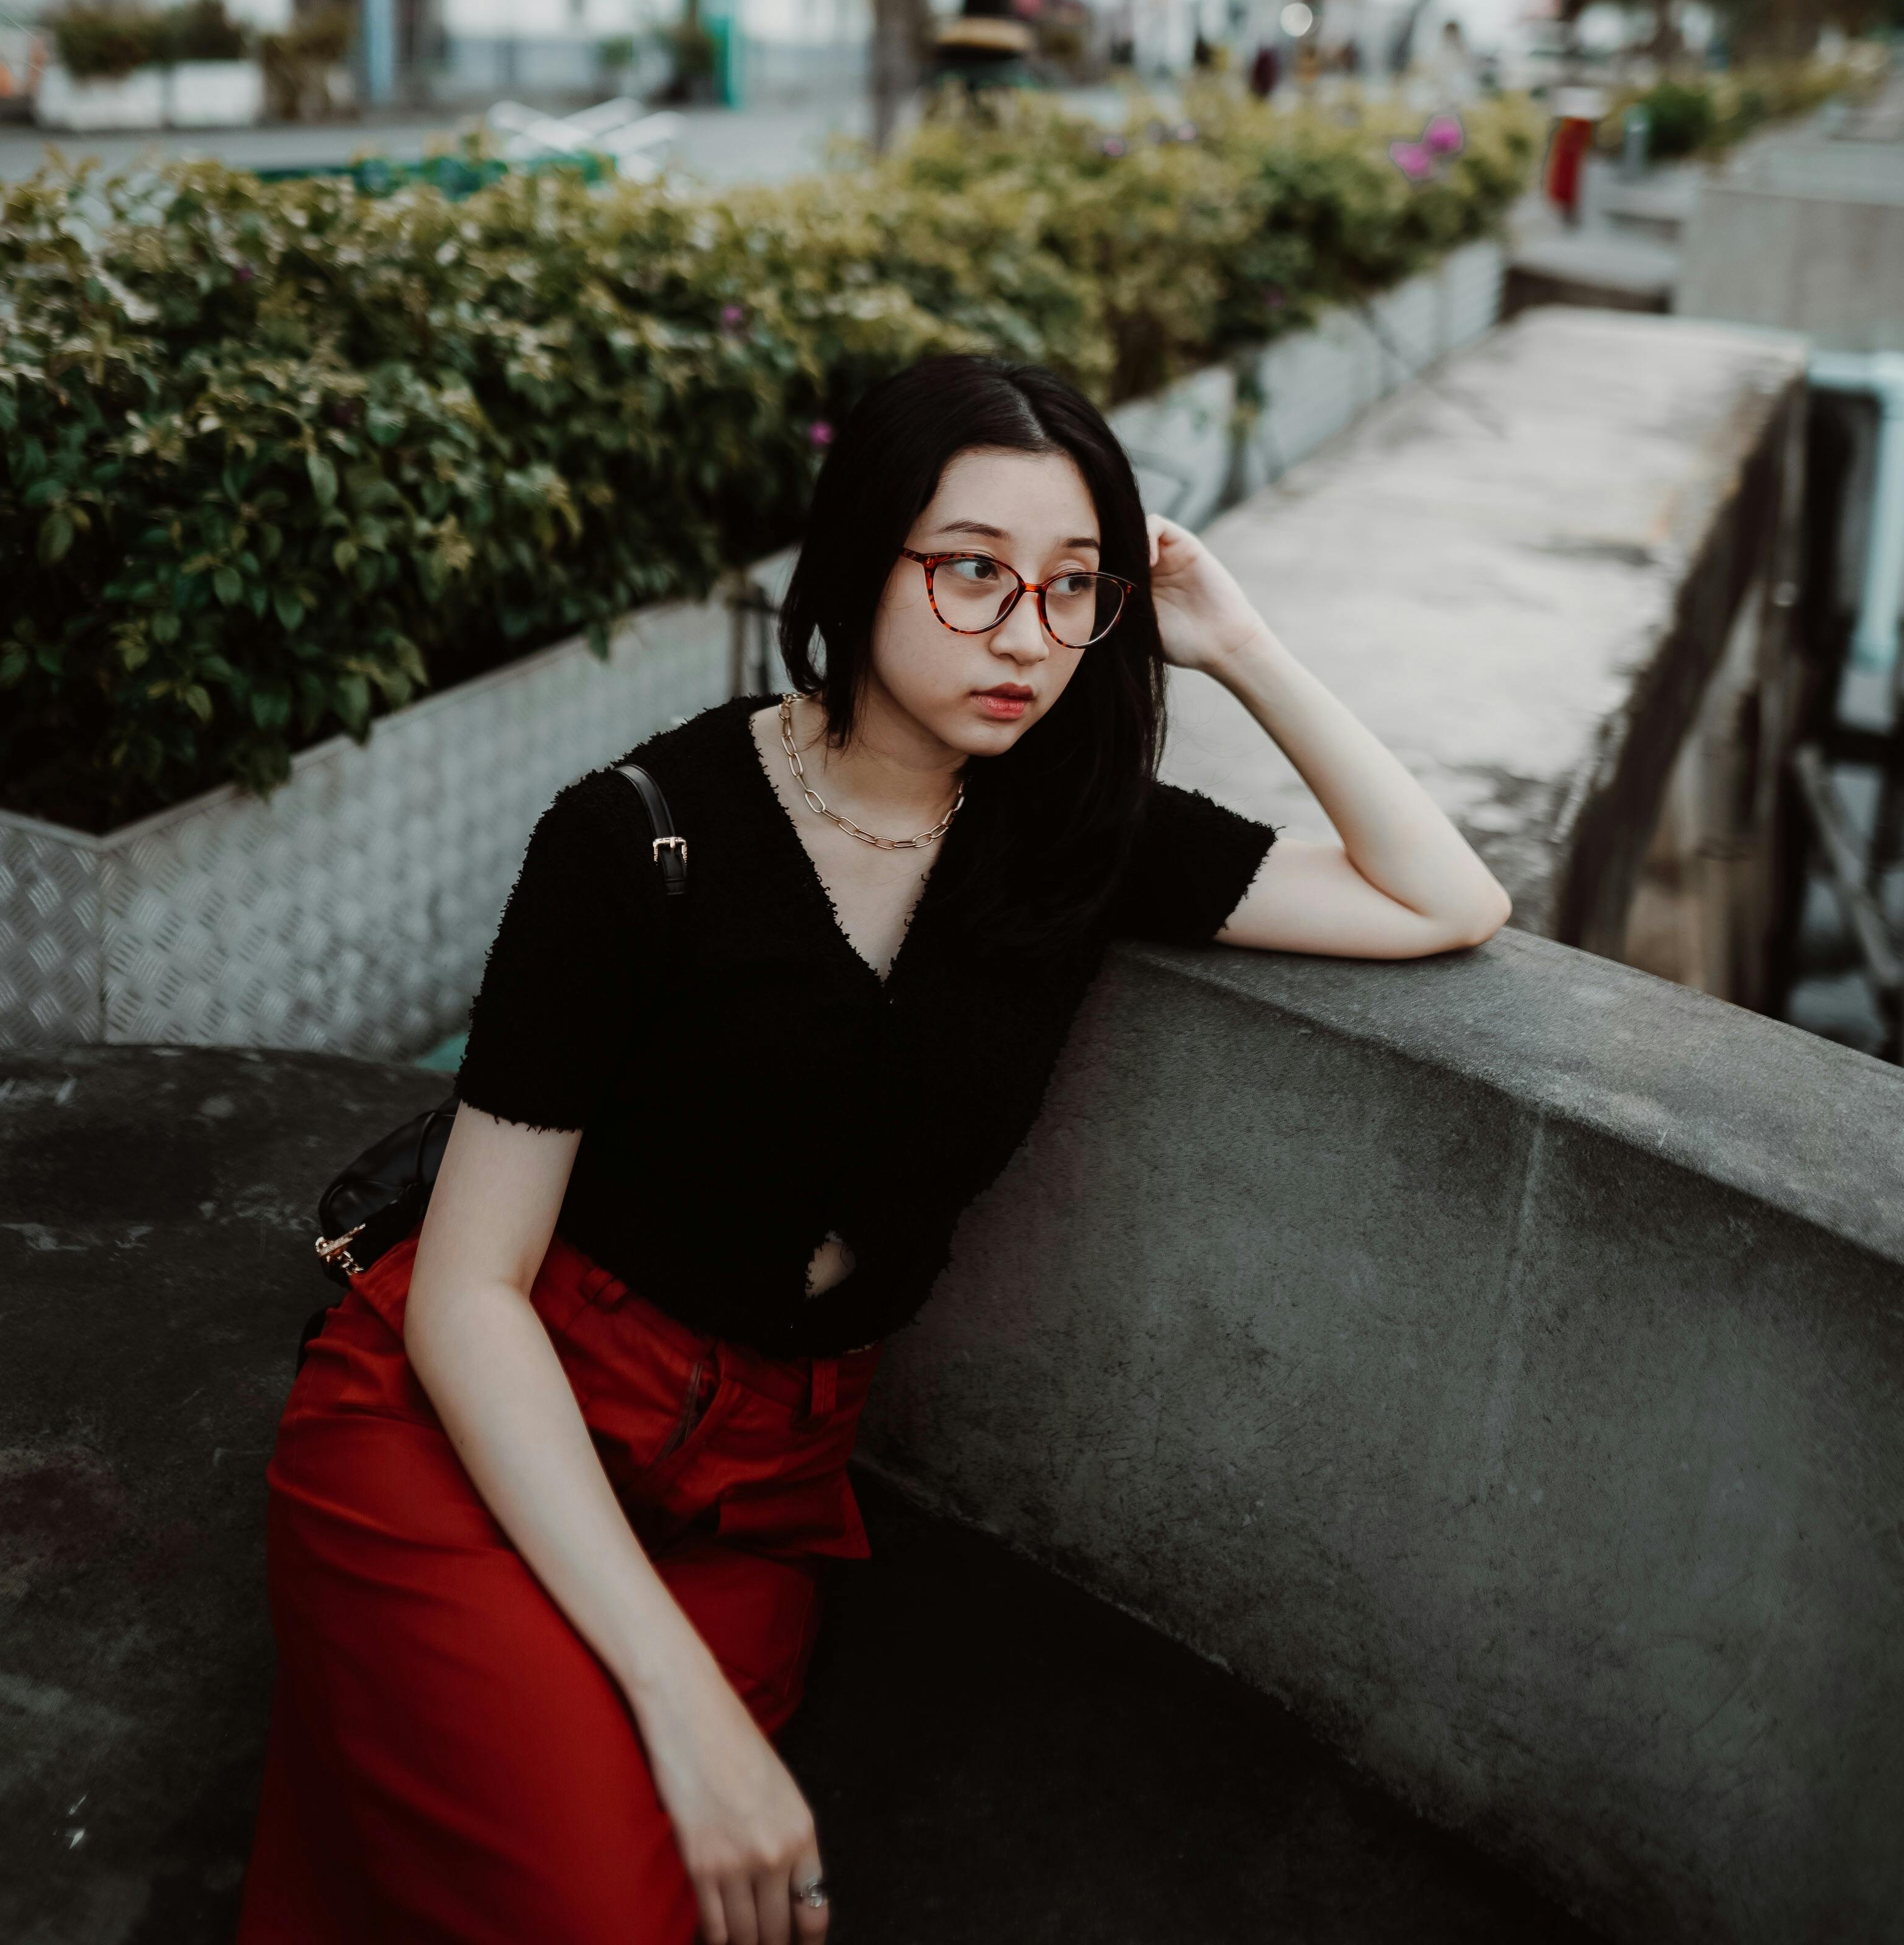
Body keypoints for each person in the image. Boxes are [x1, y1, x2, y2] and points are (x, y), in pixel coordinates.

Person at [239, 354, 1509, 1945]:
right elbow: (467, 1290)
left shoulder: (1073, 840)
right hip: (487, 1422)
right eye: (974, 571)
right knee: (595, 1903)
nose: (1026, 635)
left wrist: (1239, 643)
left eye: (1075, 587)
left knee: (684, 1908)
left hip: (760, 1492)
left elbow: (1445, 900)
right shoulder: (638, 838)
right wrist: (686, 1709)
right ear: (857, 560)